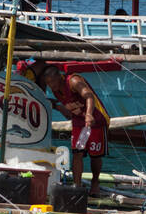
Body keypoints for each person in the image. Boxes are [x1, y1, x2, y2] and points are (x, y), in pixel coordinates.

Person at [38, 64, 110, 196]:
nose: (51, 85)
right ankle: (77, 186)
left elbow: (88, 96)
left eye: (53, 81)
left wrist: (89, 114)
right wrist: (59, 107)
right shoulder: (55, 90)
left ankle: (95, 182)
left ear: (59, 77)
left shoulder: (73, 81)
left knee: (95, 154)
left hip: (96, 118)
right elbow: (58, 101)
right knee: (77, 152)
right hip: (78, 120)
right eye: (48, 83)